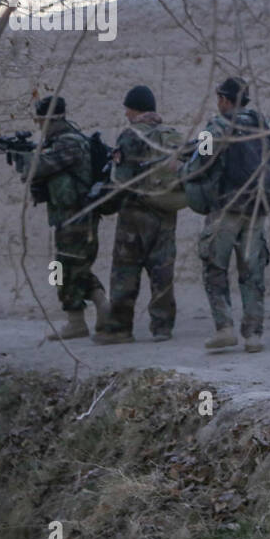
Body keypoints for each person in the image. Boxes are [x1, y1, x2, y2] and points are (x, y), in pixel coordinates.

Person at [93, 85, 180, 345]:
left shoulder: (130, 136)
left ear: (134, 108)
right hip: (165, 211)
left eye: (127, 108)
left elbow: (121, 181)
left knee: (125, 270)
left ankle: (120, 328)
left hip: (134, 214)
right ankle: (162, 327)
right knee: (162, 269)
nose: (126, 114)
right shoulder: (170, 135)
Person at [197, 76, 270, 354]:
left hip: (226, 209)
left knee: (214, 267)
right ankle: (253, 335)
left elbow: (201, 160)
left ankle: (224, 328)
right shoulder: (262, 125)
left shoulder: (218, 125)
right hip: (257, 209)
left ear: (224, 100)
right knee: (252, 272)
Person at [23, 95, 109, 340]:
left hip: (77, 218)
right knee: (72, 267)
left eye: (40, 120)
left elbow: (39, 168)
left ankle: (80, 319)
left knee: (62, 268)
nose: (38, 125)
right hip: (70, 218)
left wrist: (24, 159)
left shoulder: (68, 143)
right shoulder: (65, 140)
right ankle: (98, 308)